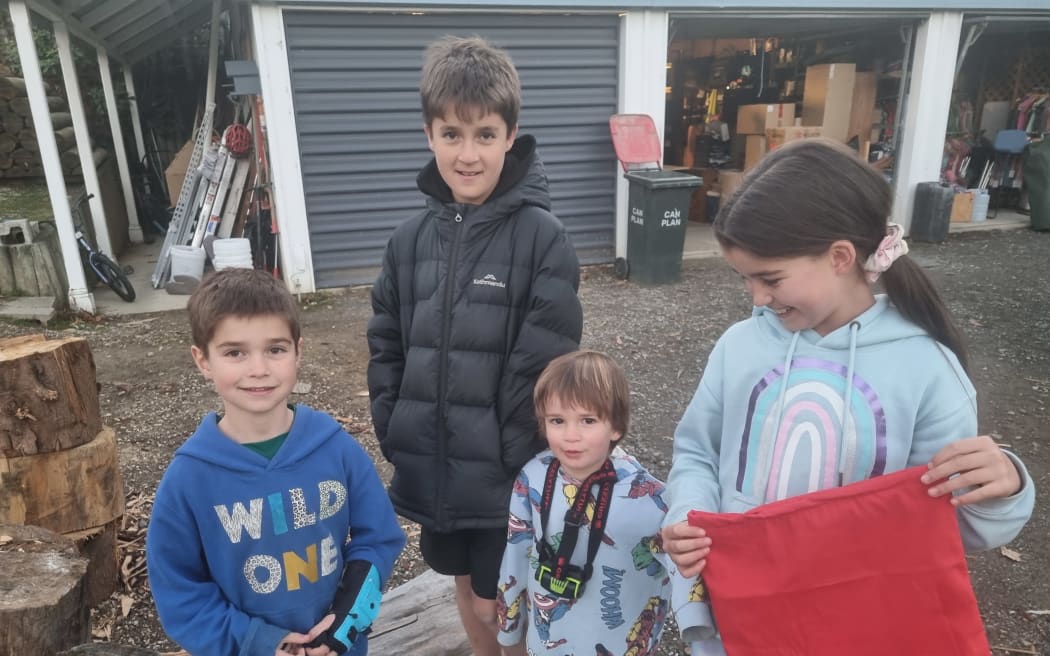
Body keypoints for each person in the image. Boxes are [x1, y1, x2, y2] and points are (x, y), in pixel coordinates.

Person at [660, 139, 1036, 654]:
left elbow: (947, 523)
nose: (757, 298)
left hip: (860, 625)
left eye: (769, 278)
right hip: (741, 616)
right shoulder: (739, 347)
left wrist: (1006, 487)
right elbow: (697, 451)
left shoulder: (926, 368)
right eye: (744, 278)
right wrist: (687, 512)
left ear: (840, 257)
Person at [366, 35, 583, 656]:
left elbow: (548, 357)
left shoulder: (544, 239)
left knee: (500, 601)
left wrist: (510, 447)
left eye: (485, 134)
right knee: (460, 583)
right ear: (428, 134)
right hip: (432, 466)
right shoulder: (407, 242)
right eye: (452, 134)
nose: (468, 154)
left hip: (502, 474)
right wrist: (395, 422)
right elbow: (386, 341)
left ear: (510, 136)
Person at [147, 269, 405, 656]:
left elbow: (379, 538)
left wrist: (345, 623)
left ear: (298, 351)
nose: (258, 369)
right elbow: (179, 589)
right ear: (202, 360)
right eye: (235, 352)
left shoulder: (337, 449)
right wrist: (259, 642)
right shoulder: (189, 478)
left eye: (275, 349)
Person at [496, 350, 708, 655]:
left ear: (616, 426)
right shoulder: (531, 480)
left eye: (587, 420)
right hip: (545, 645)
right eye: (557, 420)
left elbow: (690, 569)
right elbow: (514, 559)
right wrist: (509, 634)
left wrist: (701, 631)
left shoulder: (654, 501)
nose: (571, 435)